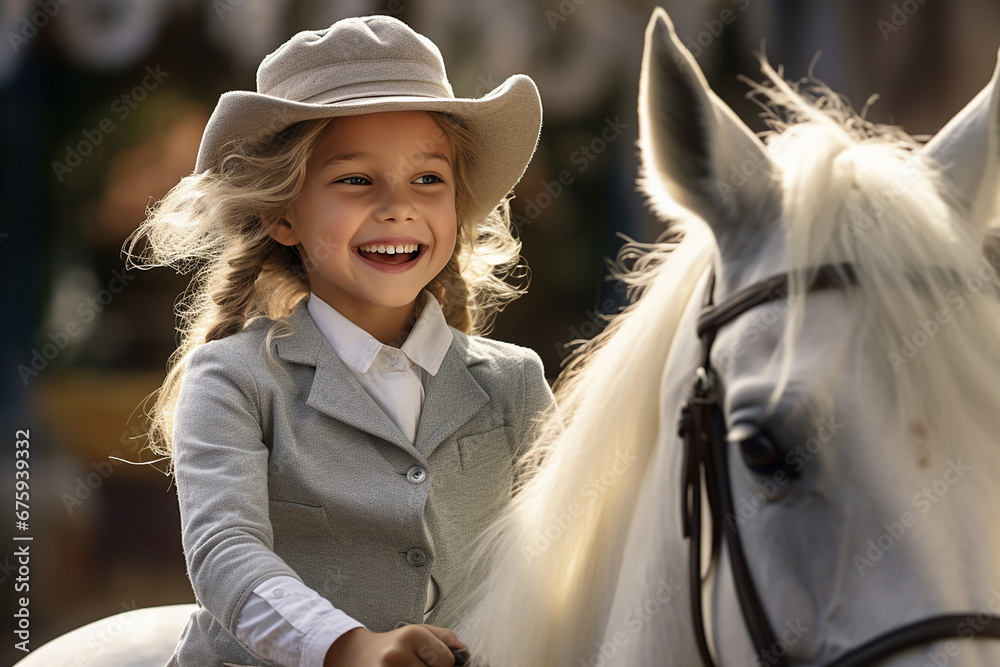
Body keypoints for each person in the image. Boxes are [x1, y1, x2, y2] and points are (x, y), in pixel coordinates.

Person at [127, 15, 552, 667]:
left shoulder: (515, 382)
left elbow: (562, 551)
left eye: (428, 179)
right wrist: (350, 646)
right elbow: (225, 550)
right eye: (356, 179)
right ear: (283, 213)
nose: (398, 206)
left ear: (457, 205)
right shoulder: (231, 378)